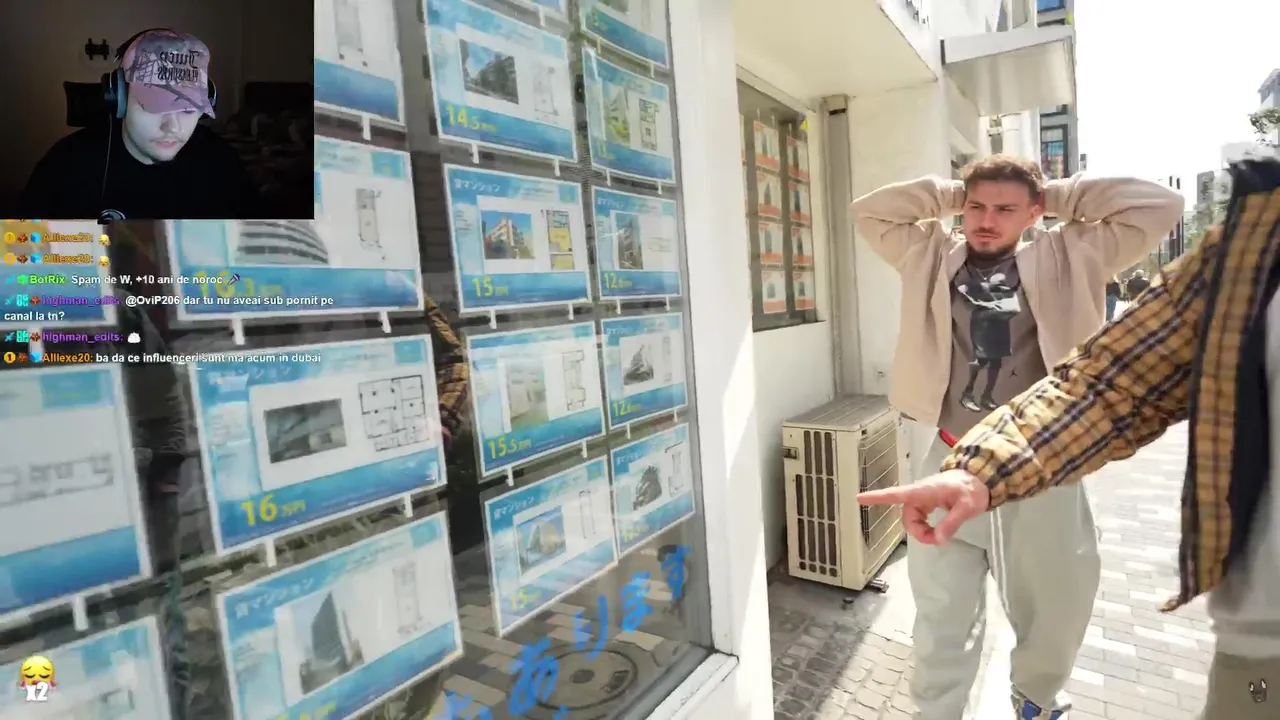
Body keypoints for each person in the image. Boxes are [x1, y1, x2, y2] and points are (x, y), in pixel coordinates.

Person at [857, 157, 1280, 720]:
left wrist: (1049, 197)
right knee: (939, 606)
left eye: (1005, 209)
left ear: (1035, 213)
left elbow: (1161, 206)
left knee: (1056, 598)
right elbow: (871, 213)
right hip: (948, 452)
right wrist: (956, 193)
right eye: (977, 208)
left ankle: (1035, 697)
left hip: (1042, 458)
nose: (987, 220)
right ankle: (937, 711)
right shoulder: (931, 253)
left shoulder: (1072, 252)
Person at [18, 29, 264, 221]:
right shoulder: (66, 166)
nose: (172, 126)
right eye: (154, 105)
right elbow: (25, 258)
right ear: (120, 99)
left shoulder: (221, 163)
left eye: (188, 108)